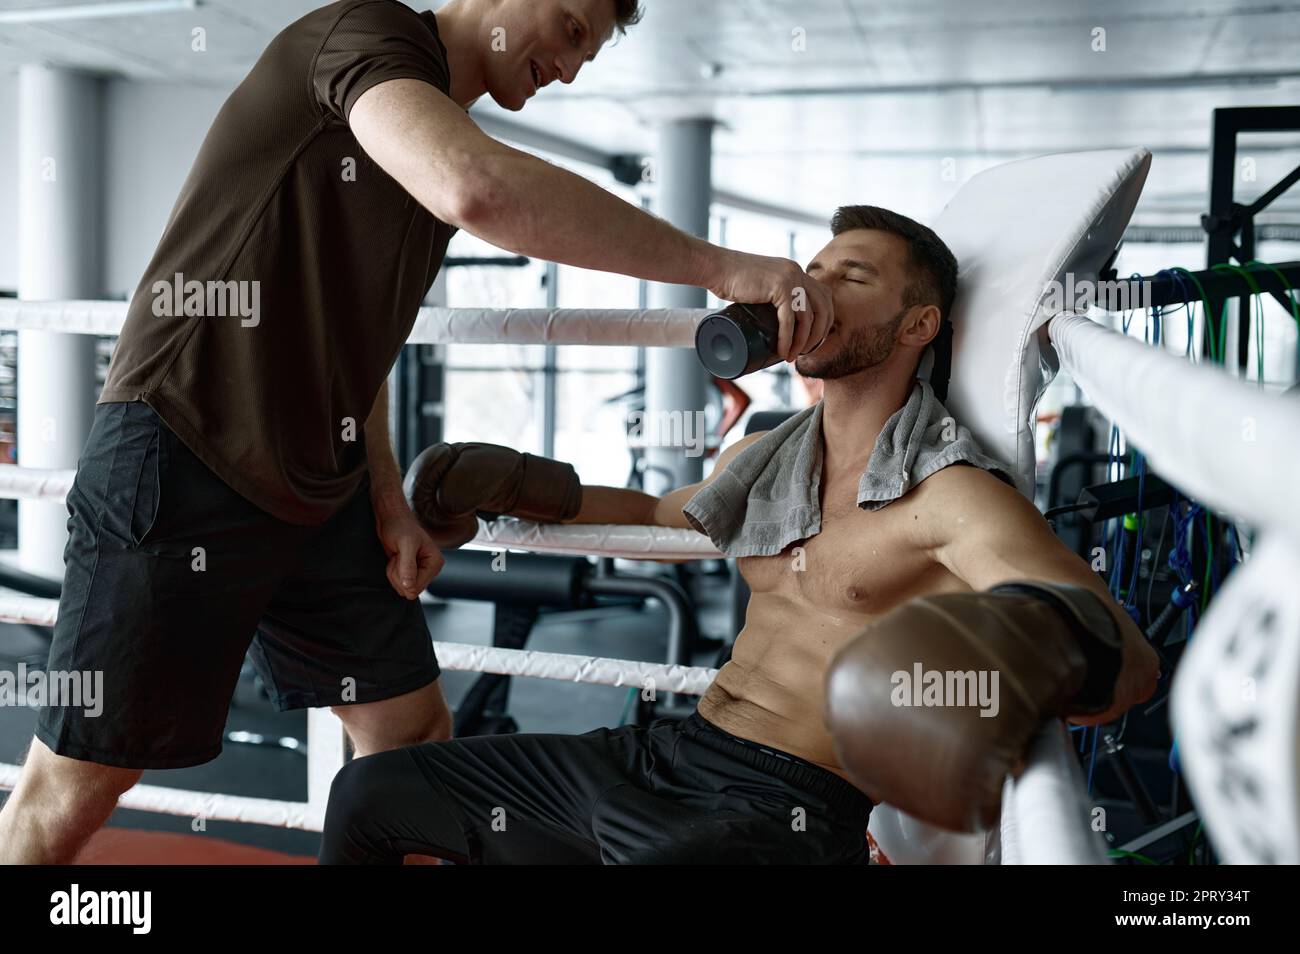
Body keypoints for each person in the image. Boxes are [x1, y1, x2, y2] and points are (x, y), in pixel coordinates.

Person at [0, 0, 834, 864]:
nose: (575, 66)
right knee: (77, 783)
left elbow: (363, 344)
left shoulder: (429, 130)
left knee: (406, 735)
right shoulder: (368, 35)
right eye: (572, 28)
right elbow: (475, 186)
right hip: (185, 450)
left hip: (320, 485)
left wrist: (387, 495)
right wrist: (720, 267)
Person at [317, 205, 1160, 864]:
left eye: (852, 278)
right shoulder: (769, 456)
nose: (815, 293)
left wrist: (1031, 647)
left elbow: (1129, 659)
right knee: (373, 794)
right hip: (671, 753)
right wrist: (520, 484)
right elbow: (658, 514)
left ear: (918, 327)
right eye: (814, 271)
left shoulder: (950, 495)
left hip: (782, 813)